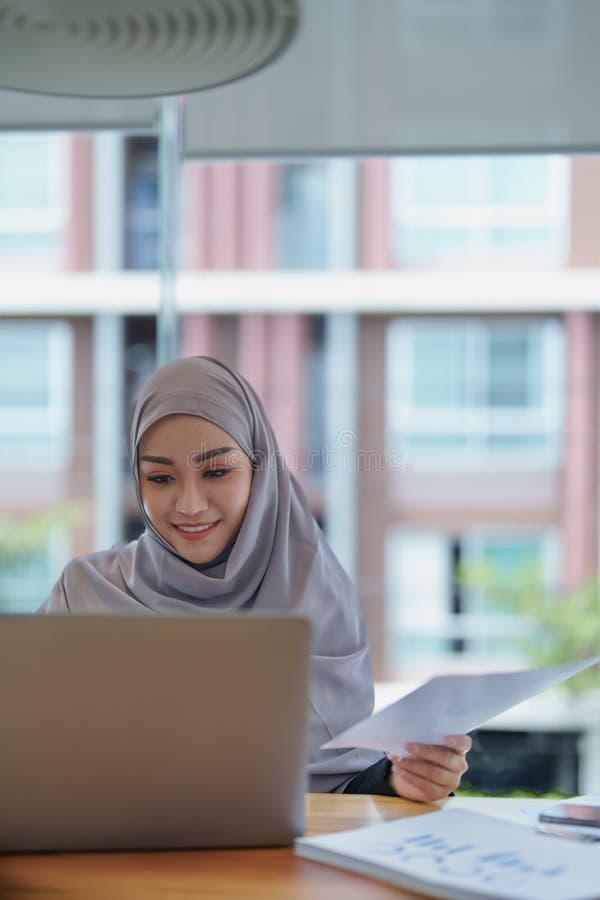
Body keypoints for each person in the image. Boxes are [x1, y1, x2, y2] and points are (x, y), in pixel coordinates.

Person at [39, 356, 470, 797]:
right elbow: (29, 752)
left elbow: (338, 780)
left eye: (216, 472)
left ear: (259, 471)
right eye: (161, 478)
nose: (189, 505)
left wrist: (405, 780)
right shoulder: (84, 595)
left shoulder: (316, 596)